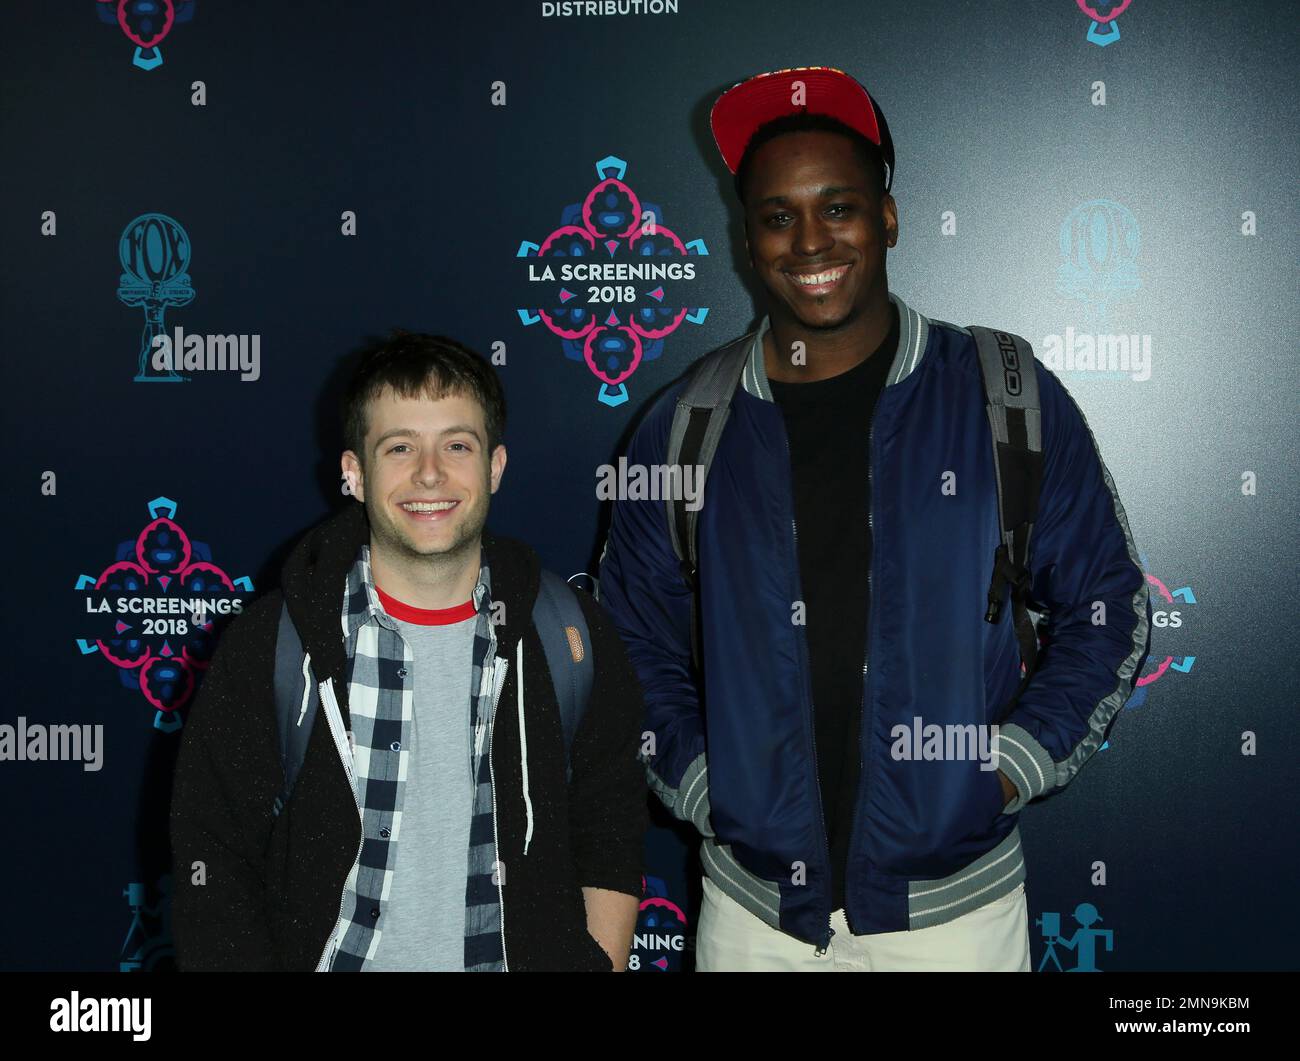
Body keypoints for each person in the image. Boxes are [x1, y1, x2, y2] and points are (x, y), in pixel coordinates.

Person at [597, 67, 1152, 971]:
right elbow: (628, 637)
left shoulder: (1002, 396)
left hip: (957, 921)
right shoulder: (688, 424)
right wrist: (704, 782)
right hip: (753, 921)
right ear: (747, 239)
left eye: (838, 206)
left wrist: (1008, 764)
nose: (809, 239)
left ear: (887, 218)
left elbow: (1107, 604)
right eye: (778, 215)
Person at [170, 331, 648, 971]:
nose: (430, 473)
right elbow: (215, 859)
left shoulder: (569, 636)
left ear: (495, 467)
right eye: (400, 448)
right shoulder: (275, 643)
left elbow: (608, 828)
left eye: (457, 444)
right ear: (354, 473)